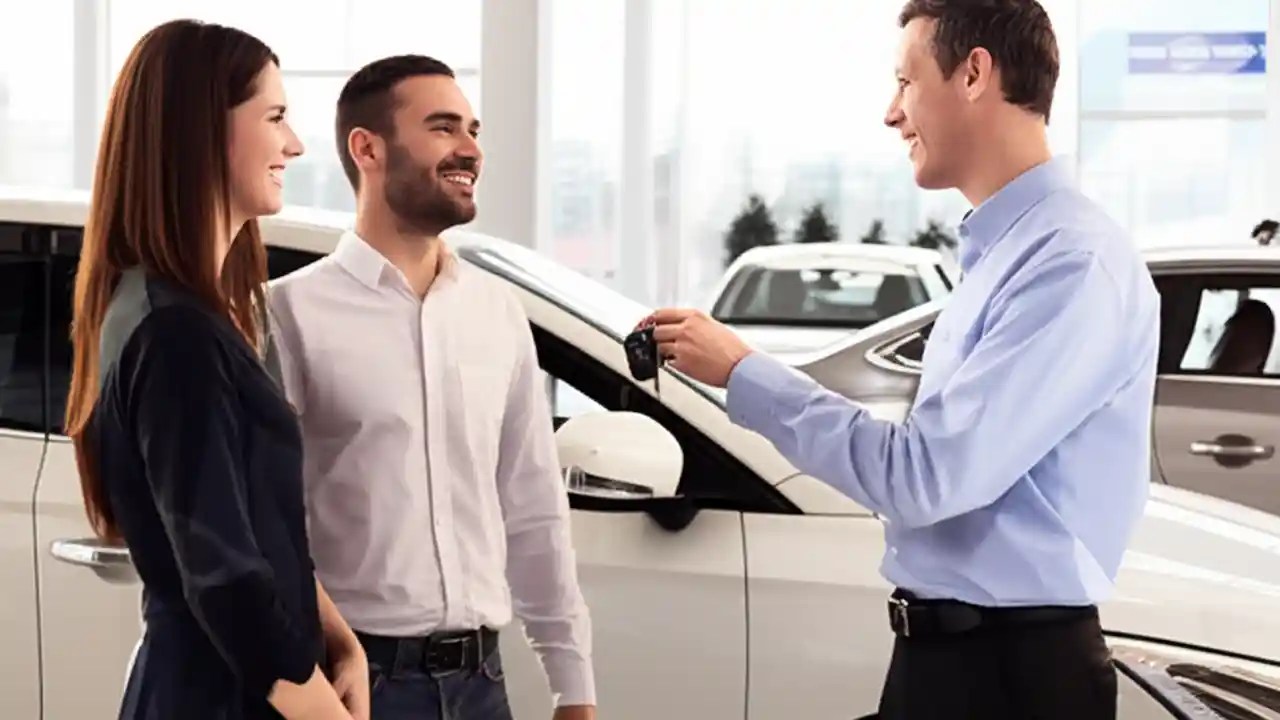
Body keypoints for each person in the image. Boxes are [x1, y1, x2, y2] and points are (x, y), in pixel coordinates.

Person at [641, 2, 1159, 718]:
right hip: (955, 660)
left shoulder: (1070, 262)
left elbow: (928, 476)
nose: (893, 113)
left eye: (906, 81)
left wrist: (741, 370)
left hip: (1010, 676)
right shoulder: (1004, 255)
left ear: (974, 72)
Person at [265, 55, 596, 720]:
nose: (471, 150)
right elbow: (267, 526)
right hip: (351, 687)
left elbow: (532, 509)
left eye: (473, 130)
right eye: (444, 128)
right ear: (368, 148)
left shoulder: (498, 313)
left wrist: (574, 686)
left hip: (483, 686)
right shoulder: (285, 314)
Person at [63, 19, 367, 720]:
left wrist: (338, 641)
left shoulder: (195, 313)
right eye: (276, 116)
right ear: (204, 131)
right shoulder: (175, 335)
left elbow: (260, 530)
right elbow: (225, 578)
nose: (293, 144)